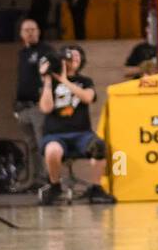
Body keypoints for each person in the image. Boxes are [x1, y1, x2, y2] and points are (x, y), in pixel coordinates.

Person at [37, 45, 116, 205]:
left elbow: (88, 97)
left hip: (81, 133)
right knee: (52, 151)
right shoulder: (50, 83)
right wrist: (47, 80)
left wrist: (65, 81)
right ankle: (55, 185)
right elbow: (46, 108)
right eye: (70, 57)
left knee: (99, 146)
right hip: (56, 134)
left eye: (77, 58)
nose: (74, 60)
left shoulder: (85, 81)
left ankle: (96, 188)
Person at [12, 16, 54, 190]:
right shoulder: (22, 53)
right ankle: (36, 178)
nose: (30, 33)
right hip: (23, 107)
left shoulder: (46, 51)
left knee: (42, 142)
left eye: (33, 29)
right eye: (26, 30)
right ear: (21, 34)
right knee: (31, 146)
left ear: (38, 31)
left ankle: (50, 179)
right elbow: (22, 80)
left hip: (38, 106)